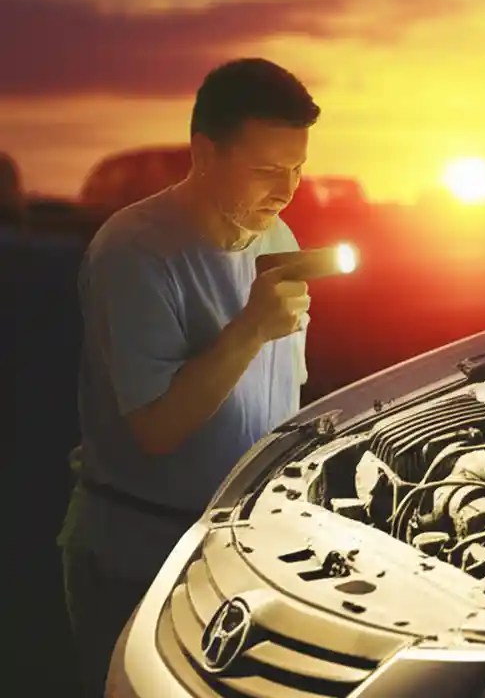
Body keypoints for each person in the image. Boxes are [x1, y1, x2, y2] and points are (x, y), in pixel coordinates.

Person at [58, 57, 319, 697]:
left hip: (236, 558)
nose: (286, 190)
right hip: (137, 557)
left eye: (297, 168)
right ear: (204, 152)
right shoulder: (136, 250)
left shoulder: (274, 233)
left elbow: (281, 400)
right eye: (266, 169)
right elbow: (156, 428)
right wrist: (252, 328)